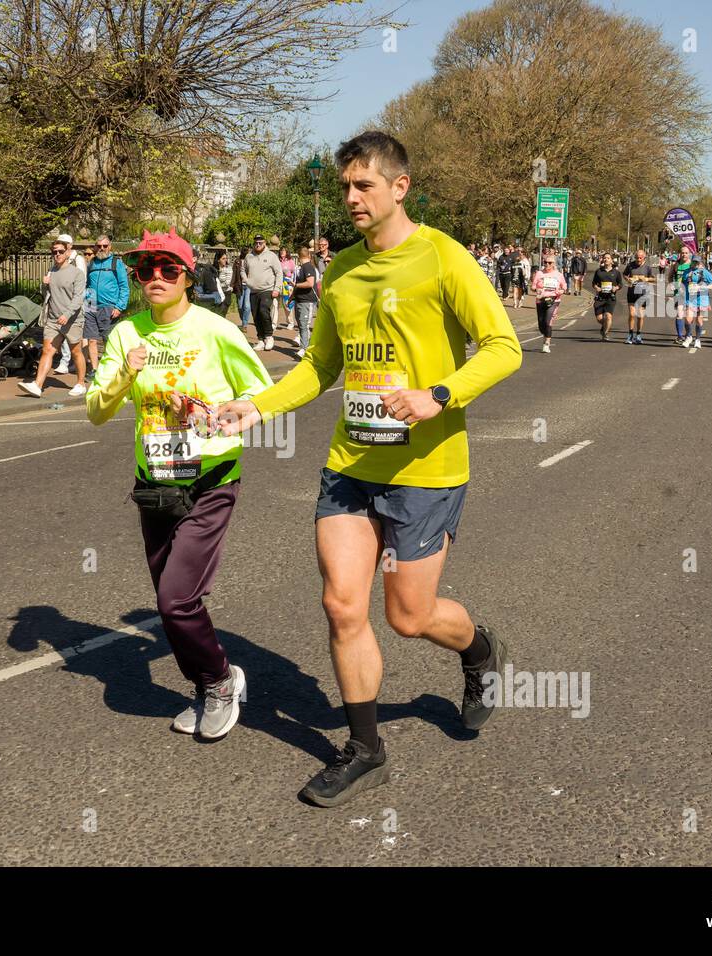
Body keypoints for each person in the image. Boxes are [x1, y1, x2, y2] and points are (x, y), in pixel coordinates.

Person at [217, 131, 521, 807]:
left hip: (427, 468)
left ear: (399, 187)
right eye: (346, 187)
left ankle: (477, 651)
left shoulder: (444, 257)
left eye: (364, 186)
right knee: (341, 604)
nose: (352, 198)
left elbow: (503, 348)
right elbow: (322, 366)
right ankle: (365, 749)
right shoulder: (344, 270)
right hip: (352, 462)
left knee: (408, 617)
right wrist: (255, 407)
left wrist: (436, 395)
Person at [86, 229, 272, 740]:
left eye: (168, 270)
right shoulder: (127, 334)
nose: (156, 279)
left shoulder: (215, 331)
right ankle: (210, 677)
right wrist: (125, 375)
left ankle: (217, 684)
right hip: (155, 483)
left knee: (174, 599)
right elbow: (96, 411)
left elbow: (262, 394)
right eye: (146, 270)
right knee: (175, 603)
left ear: (188, 276)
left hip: (209, 480)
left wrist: (220, 417)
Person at [20, 240, 87, 397]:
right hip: (53, 320)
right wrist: (44, 285)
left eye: (60, 251)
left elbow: (79, 298)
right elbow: (48, 296)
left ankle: (81, 383)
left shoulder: (77, 273)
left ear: (67, 253)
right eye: (54, 252)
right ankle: (37, 385)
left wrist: (67, 314)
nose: (57, 254)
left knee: (76, 352)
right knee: (47, 351)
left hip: (72, 320)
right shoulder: (51, 271)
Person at [83, 234, 129, 381]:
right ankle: (95, 370)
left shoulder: (116, 263)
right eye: (99, 246)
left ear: (110, 247)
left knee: (108, 339)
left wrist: (119, 307)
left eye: (104, 246)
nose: (101, 248)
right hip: (91, 306)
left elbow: (124, 287)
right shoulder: (92, 263)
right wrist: (86, 304)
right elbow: (88, 285)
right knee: (91, 339)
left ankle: (111, 369)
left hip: (109, 307)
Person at [52, 233, 87, 376]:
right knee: (63, 332)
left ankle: (68, 362)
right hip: (60, 301)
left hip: (74, 301)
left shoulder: (78, 259)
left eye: (63, 245)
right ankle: (65, 361)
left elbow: (81, 281)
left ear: (69, 246)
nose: (58, 253)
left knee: (73, 336)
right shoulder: (57, 261)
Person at [241, 234, 281, 351]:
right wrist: (246, 280)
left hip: (267, 289)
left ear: (265, 243)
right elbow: (243, 269)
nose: (258, 245)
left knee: (264, 311)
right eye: (256, 243)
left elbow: (279, 273)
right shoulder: (249, 256)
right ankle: (260, 339)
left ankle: (269, 336)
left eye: (260, 243)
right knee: (256, 315)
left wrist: (276, 289)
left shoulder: (271, 256)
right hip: (253, 289)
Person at [531, 250, 567, 353]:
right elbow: (533, 286)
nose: (547, 264)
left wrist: (561, 291)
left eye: (550, 262)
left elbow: (564, 287)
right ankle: (545, 334)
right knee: (541, 325)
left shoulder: (558, 275)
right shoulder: (539, 273)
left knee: (548, 322)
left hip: (553, 300)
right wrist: (536, 289)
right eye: (545, 262)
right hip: (540, 300)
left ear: (554, 264)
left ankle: (546, 344)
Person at [680, 255, 712, 351]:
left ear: (700, 262)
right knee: (688, 319)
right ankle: (688, 336)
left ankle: (698, 339)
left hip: (702, 299)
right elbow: (683, 283)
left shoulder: (704, 272)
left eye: (697, 262)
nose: (695, 264)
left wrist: (704, 287)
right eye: (694, 262)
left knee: (699, 320)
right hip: (690, 299)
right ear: (691, 261)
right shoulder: (687, 272)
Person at [622, 248, 654, 345]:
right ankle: (630, 334)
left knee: (640, 316)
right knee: (632, 314)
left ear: (644, 257)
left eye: (640, 258)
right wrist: (628, 279)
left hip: (643, 293)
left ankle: (638, 334)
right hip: (632, 292)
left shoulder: (648, 267)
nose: (638, 259)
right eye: (637, 257)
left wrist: (646, 279)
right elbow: (624, 274)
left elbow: (654, 279)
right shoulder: (630, 265)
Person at [292, 246, 319, 357]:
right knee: (301, 325)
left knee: (304, 325)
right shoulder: (303, 267)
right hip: (300, 300)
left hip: (307, 300)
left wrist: (296, 285)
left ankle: (305, 348)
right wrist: (292, 298)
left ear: (298, 257)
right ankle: (305, 346)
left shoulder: (308, 267)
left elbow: (310, 283)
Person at [590, 253, 622, 341]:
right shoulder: (599, 271)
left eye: (608, 258)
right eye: (604, 258)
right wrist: (597, 288)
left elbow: (620, 284)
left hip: (610, 298)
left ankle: (605, 334)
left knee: (608, 316)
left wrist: (616, 288)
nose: (606, 259)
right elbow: (593, 283)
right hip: (600, 298)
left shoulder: (616, 272)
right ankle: (604, 327)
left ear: (611, 260)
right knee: (599, 318)